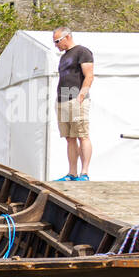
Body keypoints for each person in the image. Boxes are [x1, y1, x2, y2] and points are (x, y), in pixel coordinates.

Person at [53, 27, 94, 181]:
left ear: (67, 36)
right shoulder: (64, 57)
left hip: (76, 99)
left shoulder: (82, 52)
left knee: (82, 135)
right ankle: (72, 173)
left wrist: (81, 96)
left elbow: (89, 75)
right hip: (62, 99)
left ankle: (84, 173)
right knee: (69, 137)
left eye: (57, 41)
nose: (56, 45)